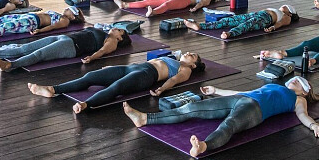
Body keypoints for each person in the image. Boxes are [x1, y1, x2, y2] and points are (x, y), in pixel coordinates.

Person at [123, 77, 319, 157]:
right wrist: (216, 90)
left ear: (305, 91)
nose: (293, 82)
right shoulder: (274, 85)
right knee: (192, 107)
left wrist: (314, 126)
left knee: (229, 125)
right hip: (241, 98)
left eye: (298, 82)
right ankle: (145, 119)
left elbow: (302, 116)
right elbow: (244, 92)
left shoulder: (300, 100)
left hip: (255, 111)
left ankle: (203, 146)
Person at [30, 51, 204, 113]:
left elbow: (174, 80)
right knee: (90, 77)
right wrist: (116, 66)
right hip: (133, 67)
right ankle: (53, 89)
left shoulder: (186, 70)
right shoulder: (173, 56)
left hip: (146, 75)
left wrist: (161, 89)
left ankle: (86, 105)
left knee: (117, 87)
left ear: (194, 64)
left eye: (192, 55)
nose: (188, 53)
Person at [0, 26, 132, 71]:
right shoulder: (104, 31)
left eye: (120, 30)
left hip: (71, 47)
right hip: (66, 38)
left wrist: (92, 58)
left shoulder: (112, 42)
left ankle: (10, 65)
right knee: (27, 47)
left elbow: (103, 51)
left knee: (40, 53)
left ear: (120, 37)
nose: (117, 28)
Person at [0, 8, 84, 43]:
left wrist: (39, 30)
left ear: (73, 16)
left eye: (69, 10)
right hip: (28, 16)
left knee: (6, 27)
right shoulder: (60, 14)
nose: (66, 9)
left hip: (32, 23)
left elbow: (53, 27)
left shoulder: (65, 20)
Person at [185, 5, 295, 40]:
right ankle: (200, 25)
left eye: (286, 7)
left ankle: (230, 33)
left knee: (246, 26)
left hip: (266, 19)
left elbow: (279, 24)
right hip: (256, 14)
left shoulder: (287, 17)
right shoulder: (280, 11)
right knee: (229, 20)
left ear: (290, 13)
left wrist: (272, 28)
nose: (283, 6)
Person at [121, 0, 217, 17]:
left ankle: (153, 12)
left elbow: (201, 4)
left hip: (184, 0)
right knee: (149, 1)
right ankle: (125, 4)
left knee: (167, 5)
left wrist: (195, 8)